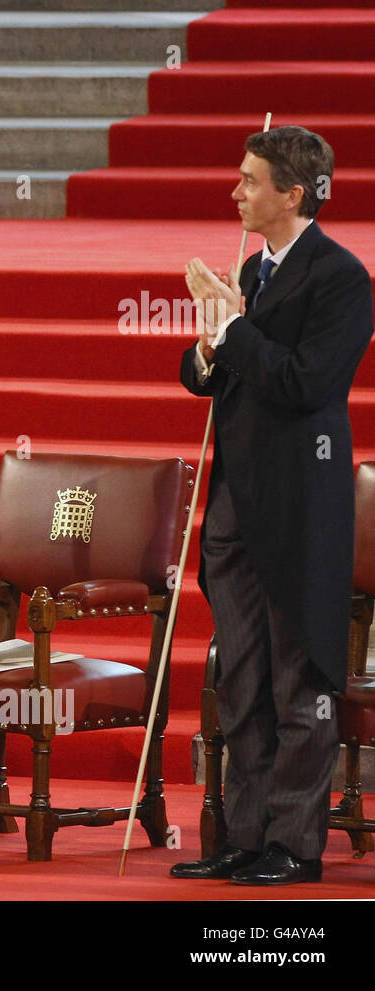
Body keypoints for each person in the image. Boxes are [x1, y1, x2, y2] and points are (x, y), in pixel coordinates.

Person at [173, 126, 373, 885]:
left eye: (250, 180)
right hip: (234, 508)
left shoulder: (342, 278)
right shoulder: (250, 271)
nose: (236, 191)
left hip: (300, 510)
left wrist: (234, 330)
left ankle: (295, 843)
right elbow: (212, 375)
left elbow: (306, 382)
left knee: (298, 681)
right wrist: (206, 345)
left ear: (294, 193)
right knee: (243, 679)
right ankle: (244, 834)